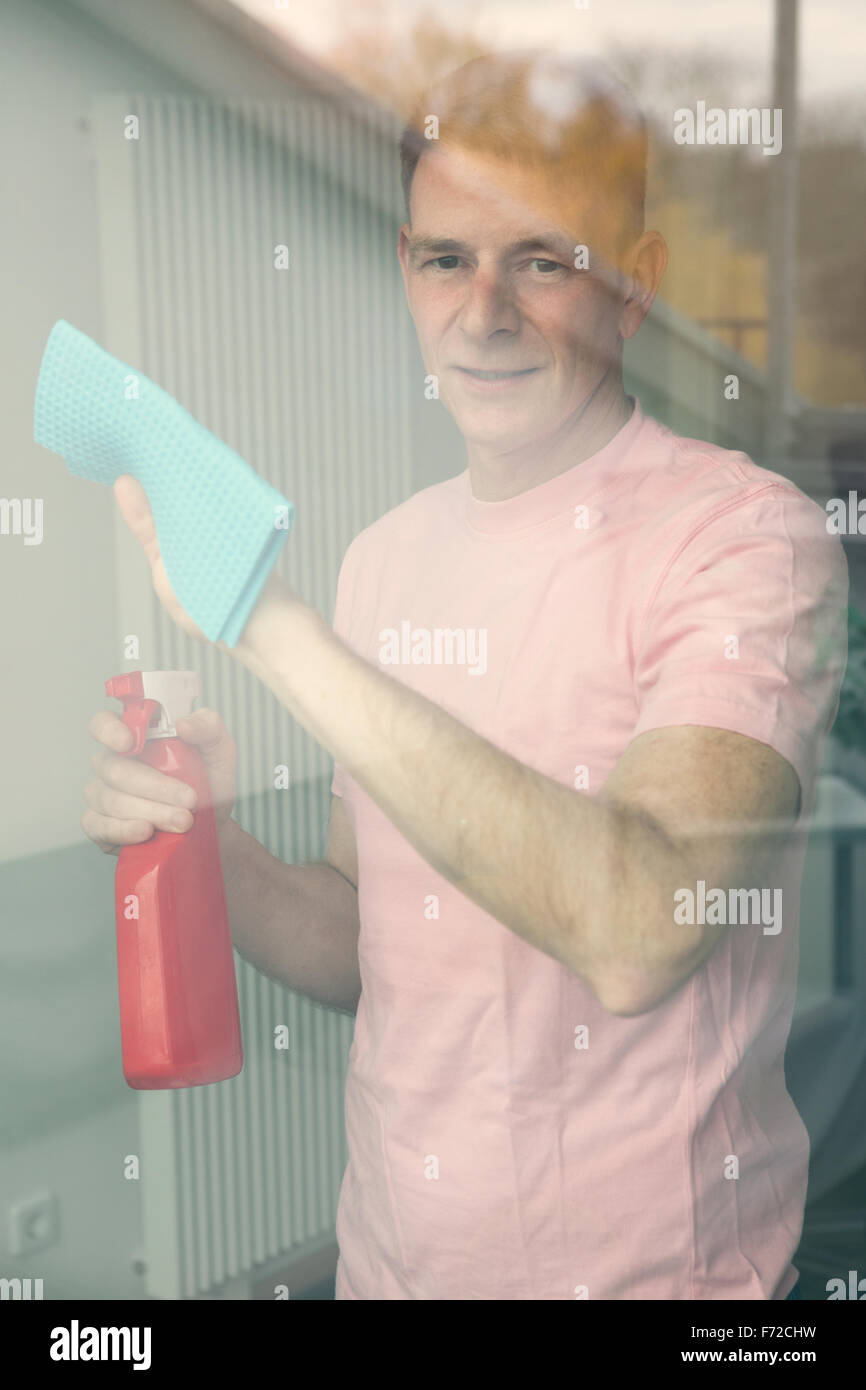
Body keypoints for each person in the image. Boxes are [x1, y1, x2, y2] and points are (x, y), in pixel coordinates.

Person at [82, 51, 848, 1299]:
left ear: (634, 289)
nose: (483, 312)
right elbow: (359, 938)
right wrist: (210, 845)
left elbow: (638, 925)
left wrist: (267, 628)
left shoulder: (743, 538)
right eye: (446, 258)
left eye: (540, 260)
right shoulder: (384, 560)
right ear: (406, 270)